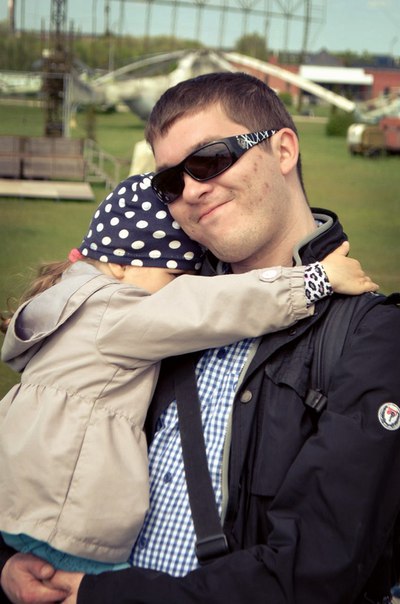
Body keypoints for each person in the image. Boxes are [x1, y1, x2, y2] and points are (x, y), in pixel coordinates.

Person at [1, 71, 399, 604]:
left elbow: (313, 571)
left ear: (283, 150)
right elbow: (40, 451)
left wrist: (103, 597)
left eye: (209, 159)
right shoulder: (147, 302)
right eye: (169, 183)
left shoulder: (371, 337)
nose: (190, 190)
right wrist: (14, 560)